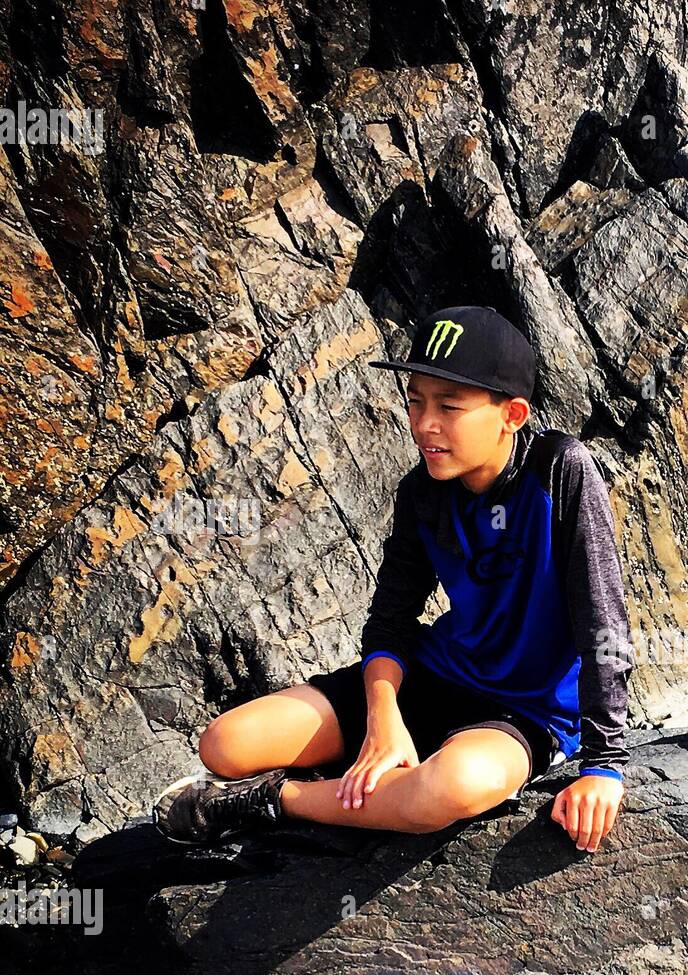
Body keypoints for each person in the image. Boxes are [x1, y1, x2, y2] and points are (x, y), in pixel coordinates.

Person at [154, 305, 632, 853]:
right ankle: (365, 778)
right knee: (225, 745)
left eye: (449, 406)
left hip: (526, 711)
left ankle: (275, 800)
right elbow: (391, 620)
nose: (424, 424)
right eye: (415, 401)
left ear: (513, 414)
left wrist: (604, 766)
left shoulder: (561, 470)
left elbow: (605, 624)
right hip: (436, 675)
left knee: (453, 789)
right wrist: (384, 719)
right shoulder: (423, 492)